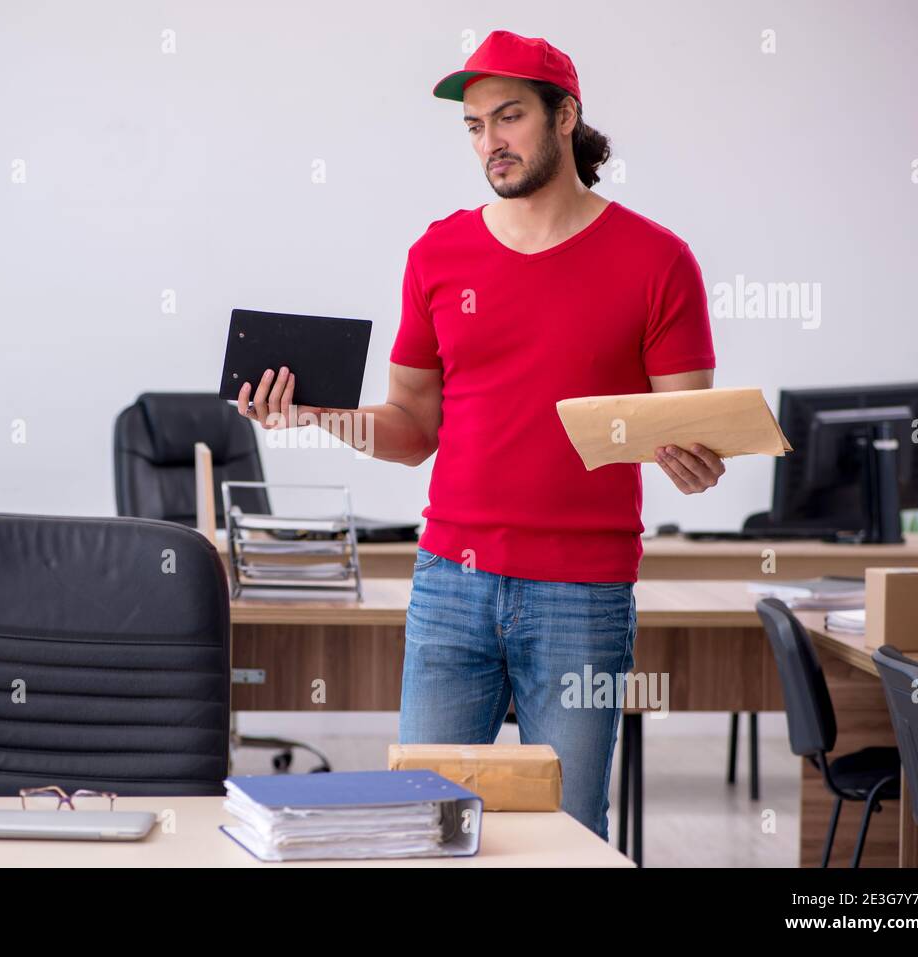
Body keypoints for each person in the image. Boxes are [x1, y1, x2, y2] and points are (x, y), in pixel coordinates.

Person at [235, 30, 721, 840]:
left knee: (569, 827)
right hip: (450, 587)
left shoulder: (657, 261)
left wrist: (693, 463)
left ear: (565, 117)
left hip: (582, 594)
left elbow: (688, 432)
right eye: (473, 126)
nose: (490, 142)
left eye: (509, 117)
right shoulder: (438, 253)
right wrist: (311, 413)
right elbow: (412, 427)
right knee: (425, 823)